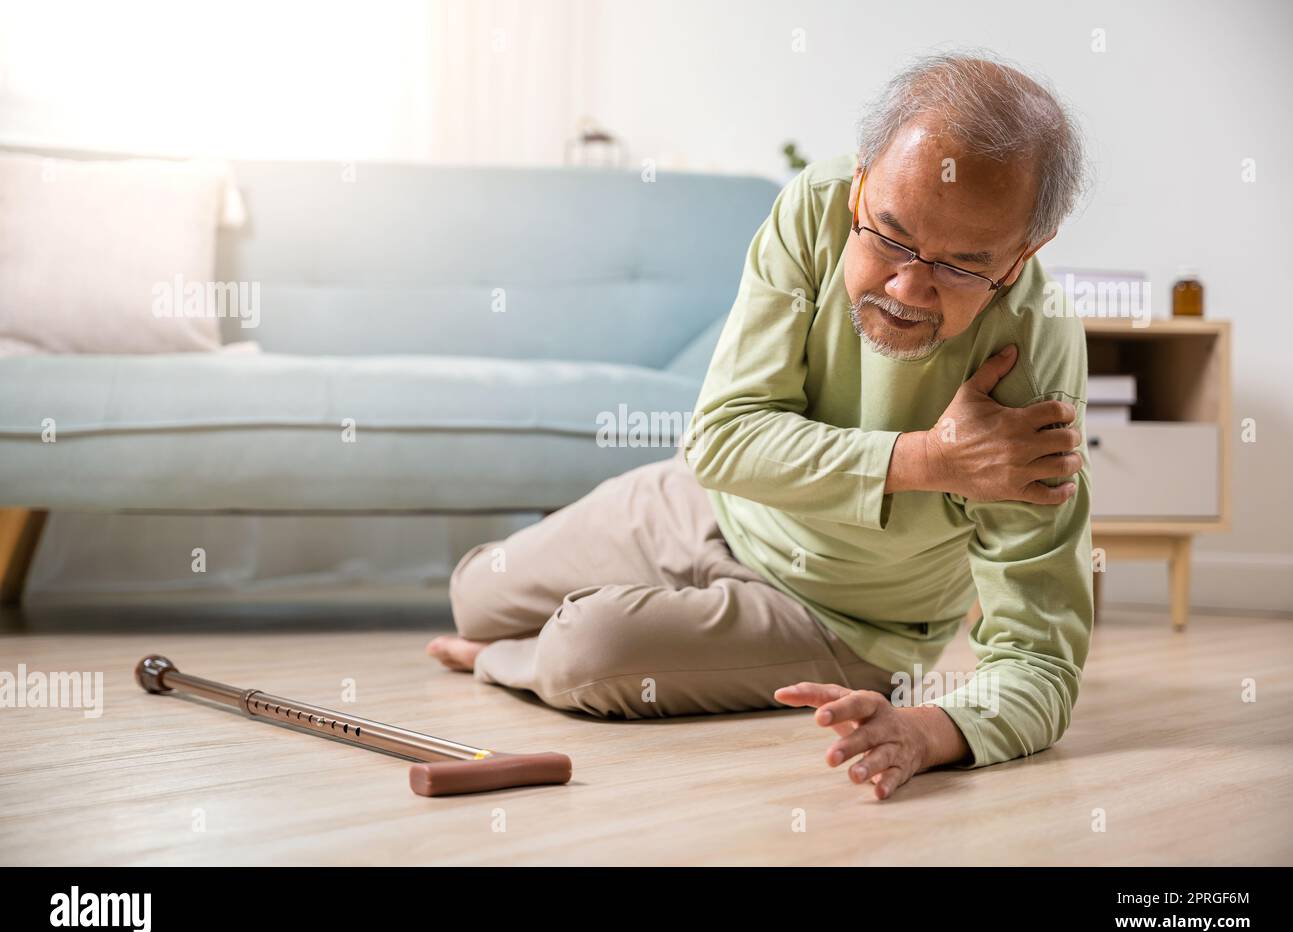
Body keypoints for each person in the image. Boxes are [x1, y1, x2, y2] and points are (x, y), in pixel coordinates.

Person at [429, 51, 1092, 801]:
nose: (908, 287)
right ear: (863, 183)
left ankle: (500, 659)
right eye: (890, 237)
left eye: (963, 265)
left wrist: (929, 731)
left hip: (844, 620)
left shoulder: (1035, 368)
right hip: (710, 505)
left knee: (587, 652)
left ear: (1024, 254)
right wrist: (926, 460)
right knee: (476, 593)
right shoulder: (816, 205)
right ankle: (512, 640)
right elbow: (720, 440)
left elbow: (1039, 661)